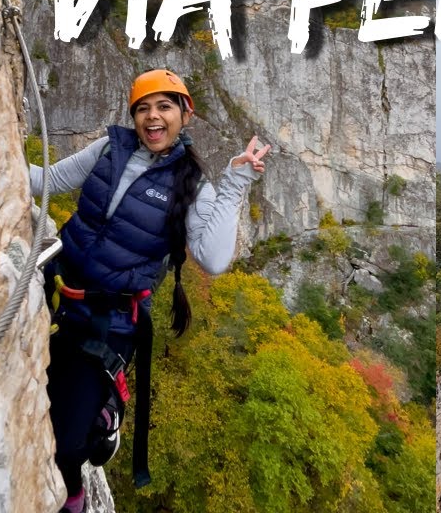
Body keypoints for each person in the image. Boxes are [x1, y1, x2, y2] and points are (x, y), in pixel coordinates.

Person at [29, 69, 269, 513]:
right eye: (143, 108)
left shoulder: (190, 184)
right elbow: (47, 180)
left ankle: (77, 490)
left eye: (164, 106)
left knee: (64, 447)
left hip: (108, 322)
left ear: (184, 114)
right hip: (58, 292)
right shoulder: (108, 149)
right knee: (33, 404)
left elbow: (213, 259)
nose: (152, 117)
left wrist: (237, 181)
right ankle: (96, 411)